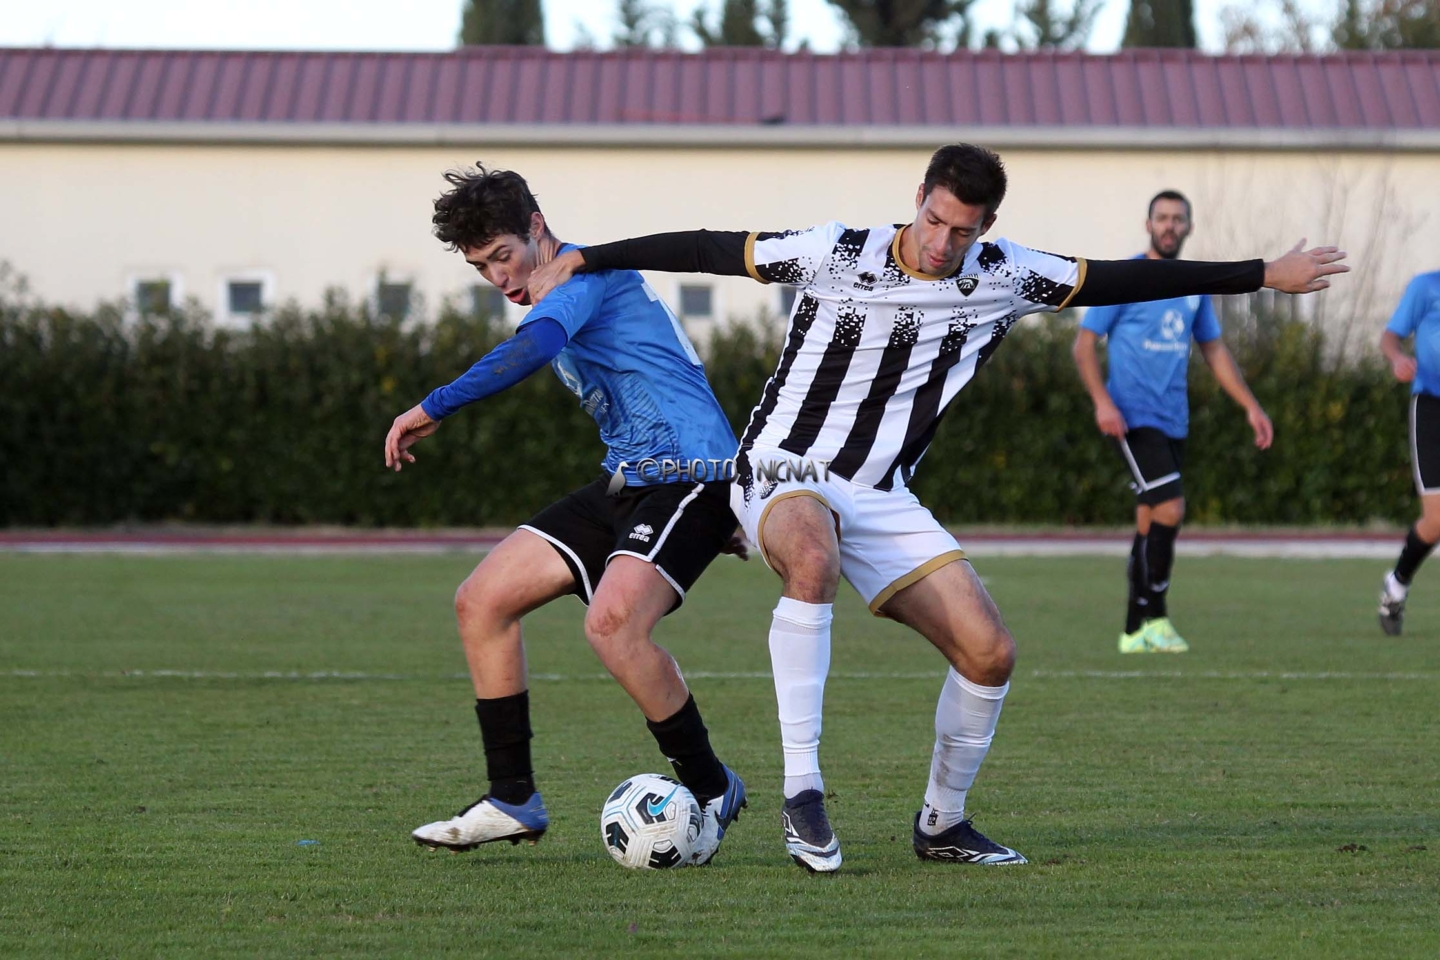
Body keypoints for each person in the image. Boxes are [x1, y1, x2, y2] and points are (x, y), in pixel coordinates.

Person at [527, 143, 1347, 873]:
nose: (942, 242)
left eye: (963, 230)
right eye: (934, 220)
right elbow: (706, 249)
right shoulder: (835, 251)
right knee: (812, 559)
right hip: (781, 469)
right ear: (917, 196)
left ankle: (943, 823)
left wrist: (1261, 274)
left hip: (883, 494)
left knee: (990, 652)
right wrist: (587, 256)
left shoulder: (1006, 273)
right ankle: (802, 793)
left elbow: (1126, 277)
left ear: (988, 225)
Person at [383, 165, 747, 865]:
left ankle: (712, 787)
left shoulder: (583, 283)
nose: (498, 278)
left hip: (692, 479)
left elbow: (534, 348)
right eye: (480, 266)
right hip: (631, 482)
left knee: (612, 627)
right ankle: (512, 798)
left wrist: (432, 406)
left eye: (504, 256)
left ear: (538, 231)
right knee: (481, 601)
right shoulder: (561, 288)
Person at [1072, 191, 1274, 655]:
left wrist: (1251, 405)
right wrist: (1103, 403)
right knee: (1170, 509)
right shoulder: (1126, 278)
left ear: (1188, 228)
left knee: (1149, 521)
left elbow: (1214, 349)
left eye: (1177, 219)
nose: (1169, 226)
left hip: (1173, 420)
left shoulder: (1192, 285)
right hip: (1131, 417)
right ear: (1148, 224)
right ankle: (1157, 619)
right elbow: (1083, 345)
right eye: (1161, 218)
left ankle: (1133, 630)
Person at [1377, 268, 1440, 635]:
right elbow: (1389, 336)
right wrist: (1397, 359)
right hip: (1432, 408)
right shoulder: (1425, 286)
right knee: (1435, 521)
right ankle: (1397, 584)